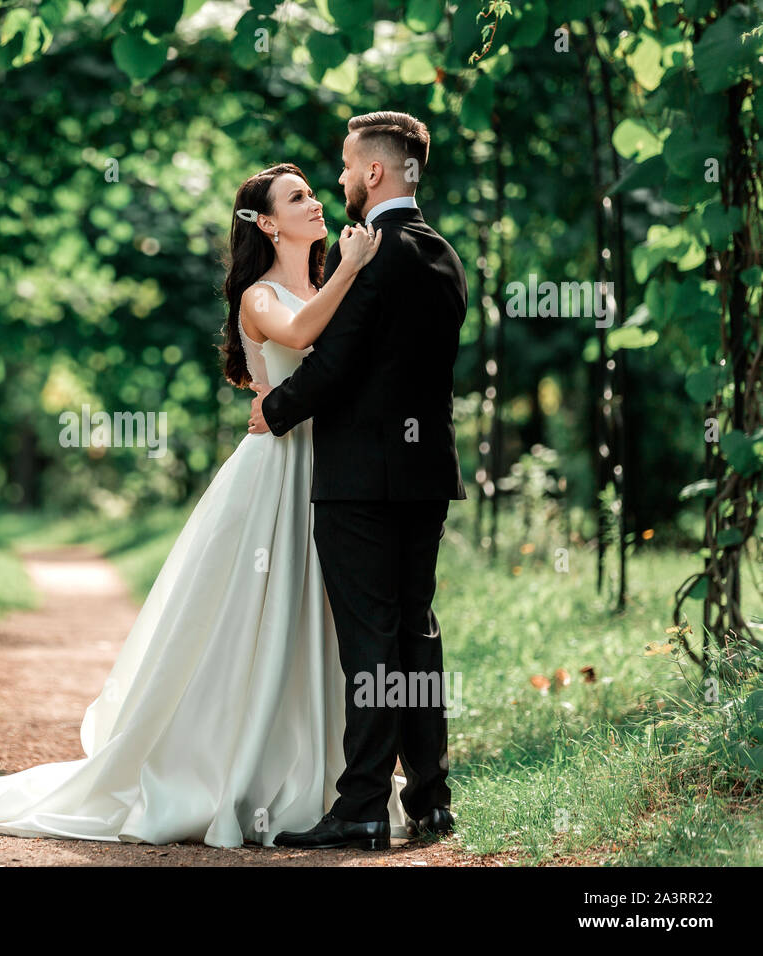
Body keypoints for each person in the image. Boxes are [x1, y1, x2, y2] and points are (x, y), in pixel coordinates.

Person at [0, 161, 402, 847]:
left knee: (322, 626)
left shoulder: (330, 276)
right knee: (253, 622)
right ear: (267, 223)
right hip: (275, 473)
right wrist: (352, 267)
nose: (314, 204)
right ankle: (225, 771)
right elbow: (300, 336)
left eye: (311, 192)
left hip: (333, 470)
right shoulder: (259, 293)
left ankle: (325, 779)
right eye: (296, 198)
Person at [248, 111, 468, 849]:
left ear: (374, 173)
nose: (338, 181)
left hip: (357, 483)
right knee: (417, 632)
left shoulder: (373, 257)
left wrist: (273, 409)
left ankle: (364, 805)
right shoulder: (443, 255)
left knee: (371, 641)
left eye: (344, 168)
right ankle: (432, 798)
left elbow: (334, 366)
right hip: (427, 475)